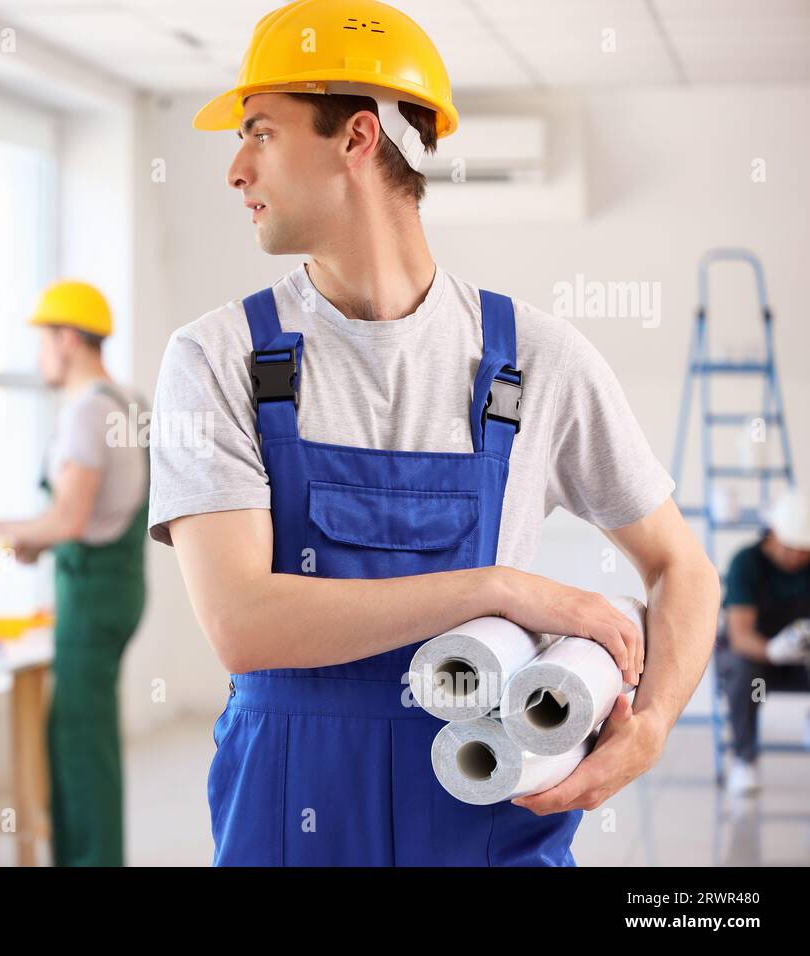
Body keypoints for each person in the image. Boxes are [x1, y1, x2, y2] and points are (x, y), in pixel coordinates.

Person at [147, 0, 719, 866]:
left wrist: (655, 723)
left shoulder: (536, 361)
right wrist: (498, 589)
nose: (235, 167)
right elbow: (243, 621)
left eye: (260, 131)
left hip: (488, 802)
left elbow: (684, 568)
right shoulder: (217, 358)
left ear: (357, 138)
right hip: (292, 810)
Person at [0, 279, 149, 866]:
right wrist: (38, 544)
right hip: (121, 586)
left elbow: (68, 517)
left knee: (77, 744)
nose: (39, 356)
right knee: (87, 736)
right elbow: (102, 511)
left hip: (90, 598)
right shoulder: (130, 403)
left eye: (43, 341)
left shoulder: (87, 414)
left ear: (67, 340)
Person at [717, 488, 810, 796]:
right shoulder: (747, 563)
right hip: (754, 657)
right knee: (745, 672)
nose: (798, 555)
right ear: (773, 533)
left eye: (805, 550)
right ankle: (745, 760)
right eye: (792, 547)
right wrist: (773, 650)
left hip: (801, 659)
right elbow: (740, 635)